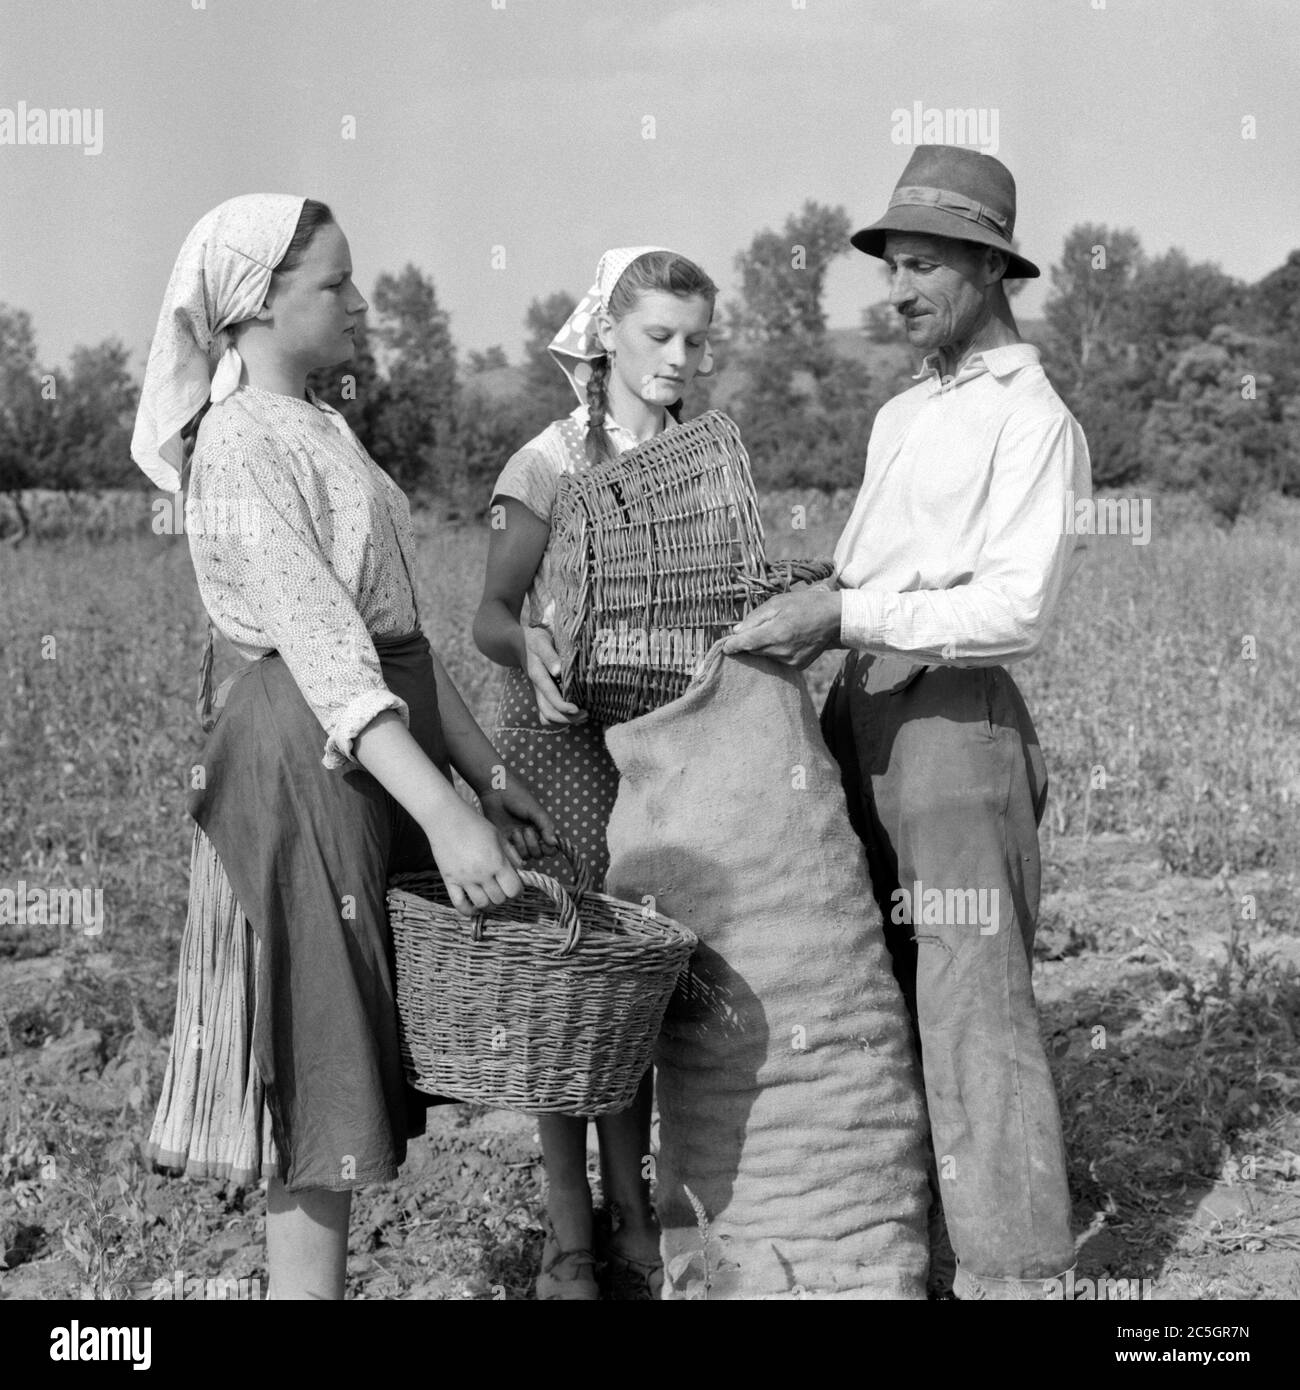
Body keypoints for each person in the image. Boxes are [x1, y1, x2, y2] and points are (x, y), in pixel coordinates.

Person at [133, 194, 555, 1300]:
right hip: (299, 756)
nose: (360, 302)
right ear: (255, 306)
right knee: (316, 1065)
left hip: (368, 750)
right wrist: (447, 814)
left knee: (353, 1049)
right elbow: (330, 659)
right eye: (334, 283)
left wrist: (487, 777)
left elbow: (399, 639)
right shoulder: (235, 445)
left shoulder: (321, 424)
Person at [724, 145, 1092, 1301]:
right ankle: (891, 1257)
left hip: (951, 732)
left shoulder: (1032, 421)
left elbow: (1011, 607)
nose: (898, 290)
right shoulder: (902, 412)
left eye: (925, 265)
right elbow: (874, 569)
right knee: (869, 987)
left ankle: (1013, 1273)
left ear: (992, 268)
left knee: (971, 999)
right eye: (893, 267)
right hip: (861, 711)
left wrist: (844, 607)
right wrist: (817, 593)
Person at [473, 247, 717, 1299]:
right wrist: (526, 647)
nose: (678, 357)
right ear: (605, 336)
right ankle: (573, 1240)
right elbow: (489, 610)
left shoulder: (706, 460)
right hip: (561, 751)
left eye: (695, 340)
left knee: (642, 989)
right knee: (568, 992)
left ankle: (639, 1222)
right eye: (658, 335)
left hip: (666, 746)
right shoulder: (544, 463)